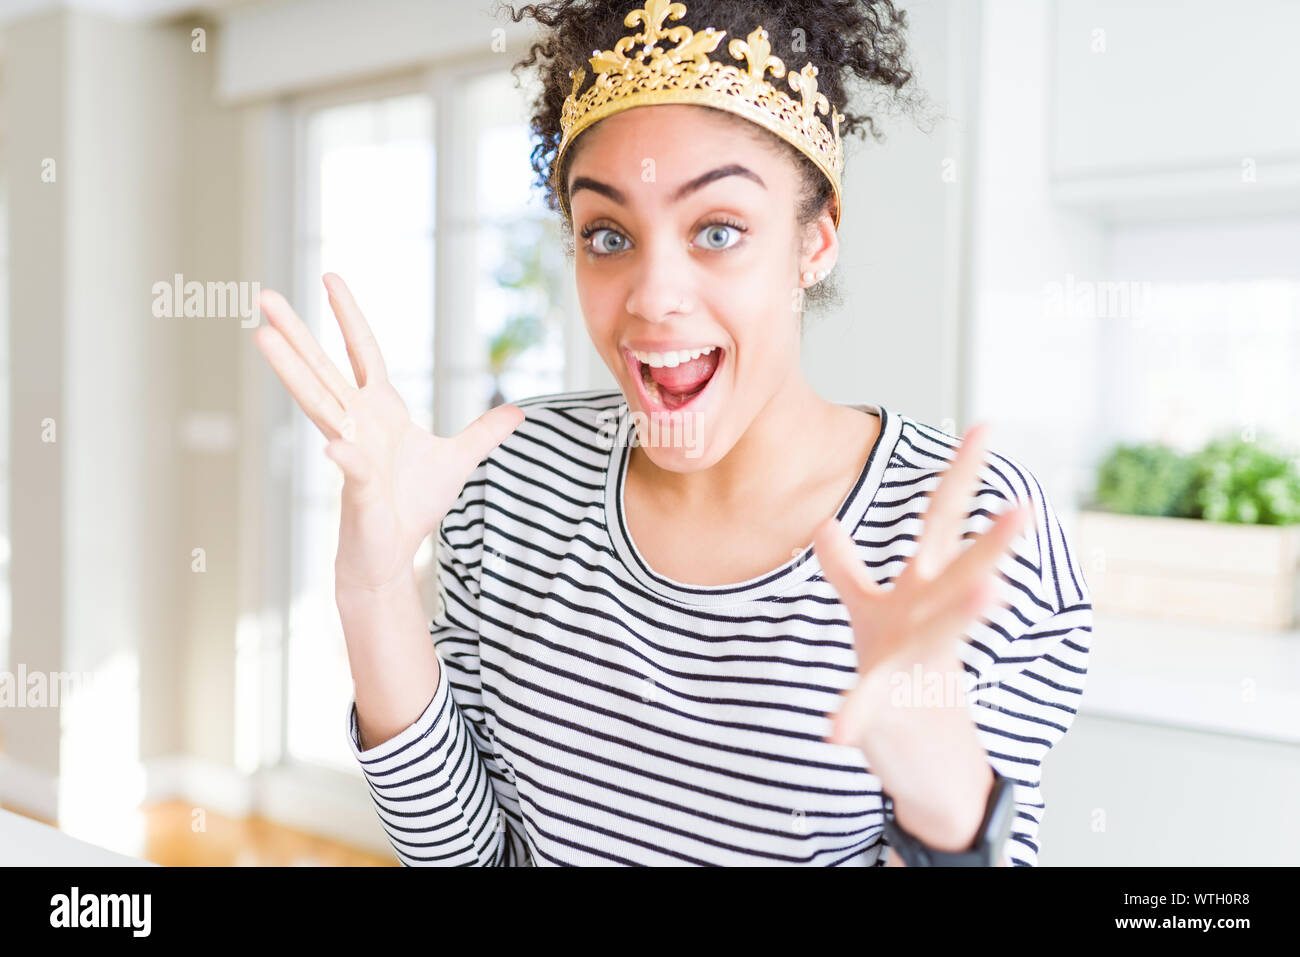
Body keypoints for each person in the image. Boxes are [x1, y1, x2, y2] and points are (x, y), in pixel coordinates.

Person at [253, 0, 1091, 866]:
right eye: (607, 234)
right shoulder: (507, 479)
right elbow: (469, 856)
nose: (652, 296)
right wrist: (376, 591)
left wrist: (939, 788)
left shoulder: (963, 536)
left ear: (814, 241)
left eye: (718, 231)